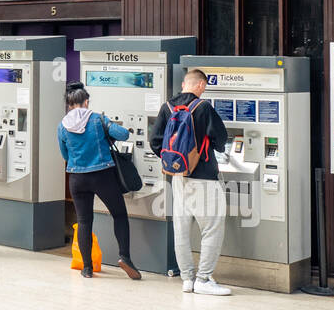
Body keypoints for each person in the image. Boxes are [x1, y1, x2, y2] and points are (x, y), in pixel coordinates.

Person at [150, 67, 231, 296]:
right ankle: (204, 279)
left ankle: (187, 279)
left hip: (178, 177)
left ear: (184, 84)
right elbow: (221, 137)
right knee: (212, 228)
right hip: (204, 177)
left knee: (181, 229)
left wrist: (177, 162)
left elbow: (155, 141)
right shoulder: (203, 107)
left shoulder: (167, 107)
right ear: (201, 86)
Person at [57, 82, 140, 279]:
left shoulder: (62, 126)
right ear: (86, 102)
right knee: (119, 215)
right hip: (102, 175)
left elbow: (64, 154)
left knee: (84, 221)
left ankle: (87, 268)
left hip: (77, 179)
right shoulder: (97, 119)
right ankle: (124, 258)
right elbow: (124, 134)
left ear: (69, 104)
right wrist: (108, 124)